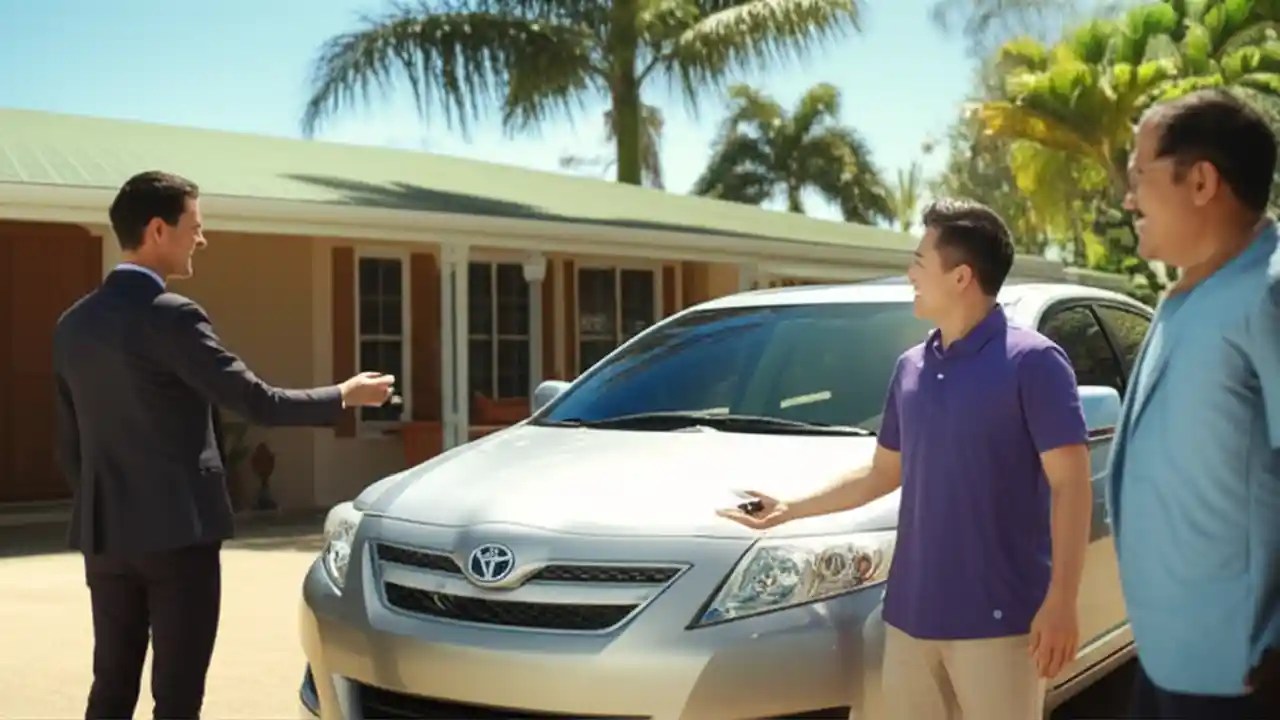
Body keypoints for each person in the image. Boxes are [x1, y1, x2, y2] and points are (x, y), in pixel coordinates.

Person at [720, 199, 1094, 720]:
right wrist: (790, 508)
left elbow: (1071, 485)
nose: (909, 272)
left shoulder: (1033, 362)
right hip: (910, 620)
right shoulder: (912, 367)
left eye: (920, 260)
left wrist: (1061, 601)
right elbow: (883, 472)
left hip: (1000, 623)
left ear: (961, 276)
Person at [53, 170, 397, 720]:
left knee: (111, 686)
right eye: (195, 225)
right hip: (178, 536)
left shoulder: (73, 325)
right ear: (159, 230)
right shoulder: (172, 316)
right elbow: (256, 401)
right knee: (178, 694)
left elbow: (70, 445)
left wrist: (102, 506)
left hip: (106, 536)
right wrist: (344, 395)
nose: (202, 238)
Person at [1108, 89, 1280, 719]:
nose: (1128, 198)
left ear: (1201, 180)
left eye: (1138, 176)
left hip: (1242, 681)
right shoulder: (1189, 295)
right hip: (1168, 666)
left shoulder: (1268, 295)